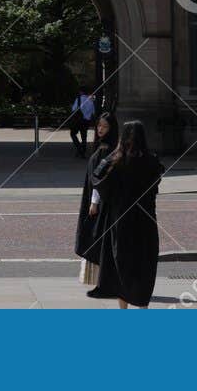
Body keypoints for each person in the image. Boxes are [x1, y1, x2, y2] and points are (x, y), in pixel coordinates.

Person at [87, 119, 163, 309]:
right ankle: (143, 306)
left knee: (122, 263)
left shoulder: (115, 159)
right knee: (144, 263)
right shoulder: (151, 160)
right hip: (145, 220)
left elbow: (96, 177)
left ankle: (123, 310)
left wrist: (107, 197)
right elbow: (156, 181)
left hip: (121, 219)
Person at [74, 110, 117, 287]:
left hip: (99, 203)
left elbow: (99, 179)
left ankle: (102, 278)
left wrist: (94, 202)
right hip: (99, 200)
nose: (100, 129)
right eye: (99, 125)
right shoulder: (103, 147)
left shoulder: (106, 149)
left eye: (105, 127)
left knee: (95, 236)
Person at [69, 86, 96, 158]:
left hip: (78, 120)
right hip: (86, 121)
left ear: (81, 92)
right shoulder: (90, 100)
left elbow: (73, 109)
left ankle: (79, 147)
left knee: (73, 134)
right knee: (84, 136)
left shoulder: (78, 99)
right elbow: (93, 112)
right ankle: (83, 151)